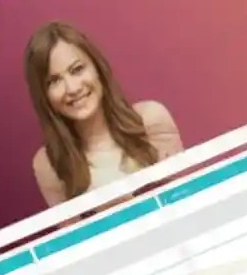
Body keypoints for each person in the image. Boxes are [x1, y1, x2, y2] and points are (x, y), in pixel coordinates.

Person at [24, 21, 183, 206]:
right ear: (44, 96)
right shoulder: (49, 164)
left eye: (77, 70)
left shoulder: (152, 120)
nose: (72, 88)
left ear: (97, 68)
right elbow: (76, 233)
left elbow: (187, 201)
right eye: (54, 81)